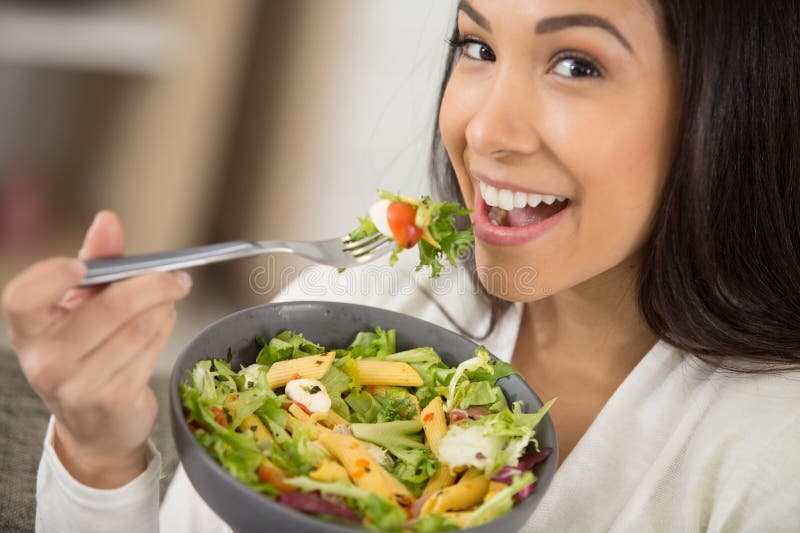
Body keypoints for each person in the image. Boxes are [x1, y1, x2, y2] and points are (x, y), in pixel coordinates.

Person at [4, 0, 800, 531]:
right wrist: (97, 448)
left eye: (576, 65)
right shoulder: (364, 304)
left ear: (726, 105)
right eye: (477, 46)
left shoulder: (767, 457)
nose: (485, 127)